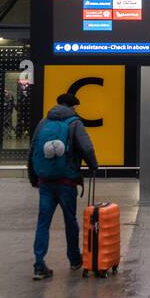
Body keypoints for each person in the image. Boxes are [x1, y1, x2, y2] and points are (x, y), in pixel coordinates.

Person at [27, 92, 98, 281]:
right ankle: (74, 259)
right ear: (73, 107)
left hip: (45, 182)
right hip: (66, 181)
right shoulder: (74, 123)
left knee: (43, 222)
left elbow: (33, 150)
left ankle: (39, 264)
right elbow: (87, 147)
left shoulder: (43, 123)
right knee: (70, 221)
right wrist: (93, 165)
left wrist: (34, 178)